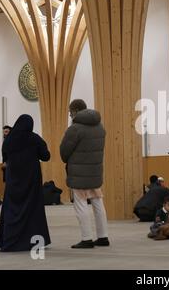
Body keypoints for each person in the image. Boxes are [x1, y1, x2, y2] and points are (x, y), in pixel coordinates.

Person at [0, 115, 51, 252]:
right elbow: (46, 156)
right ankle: (33, 240)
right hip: (31, 180)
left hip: (13, 180)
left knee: (12, 208)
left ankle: (9, 240)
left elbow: (5, 156)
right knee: (33, 209)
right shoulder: (34, 138)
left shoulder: (8, 140)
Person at [60, 99, 109, 249]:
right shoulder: (100, 127)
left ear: (75, 111)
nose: (69, 115)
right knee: (98, 203)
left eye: (70, 112)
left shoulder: (75, 129)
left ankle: (86, 238)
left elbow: (64, 152)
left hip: (79, 173)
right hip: (95, 171)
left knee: (80, 204)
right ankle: (103, 236)